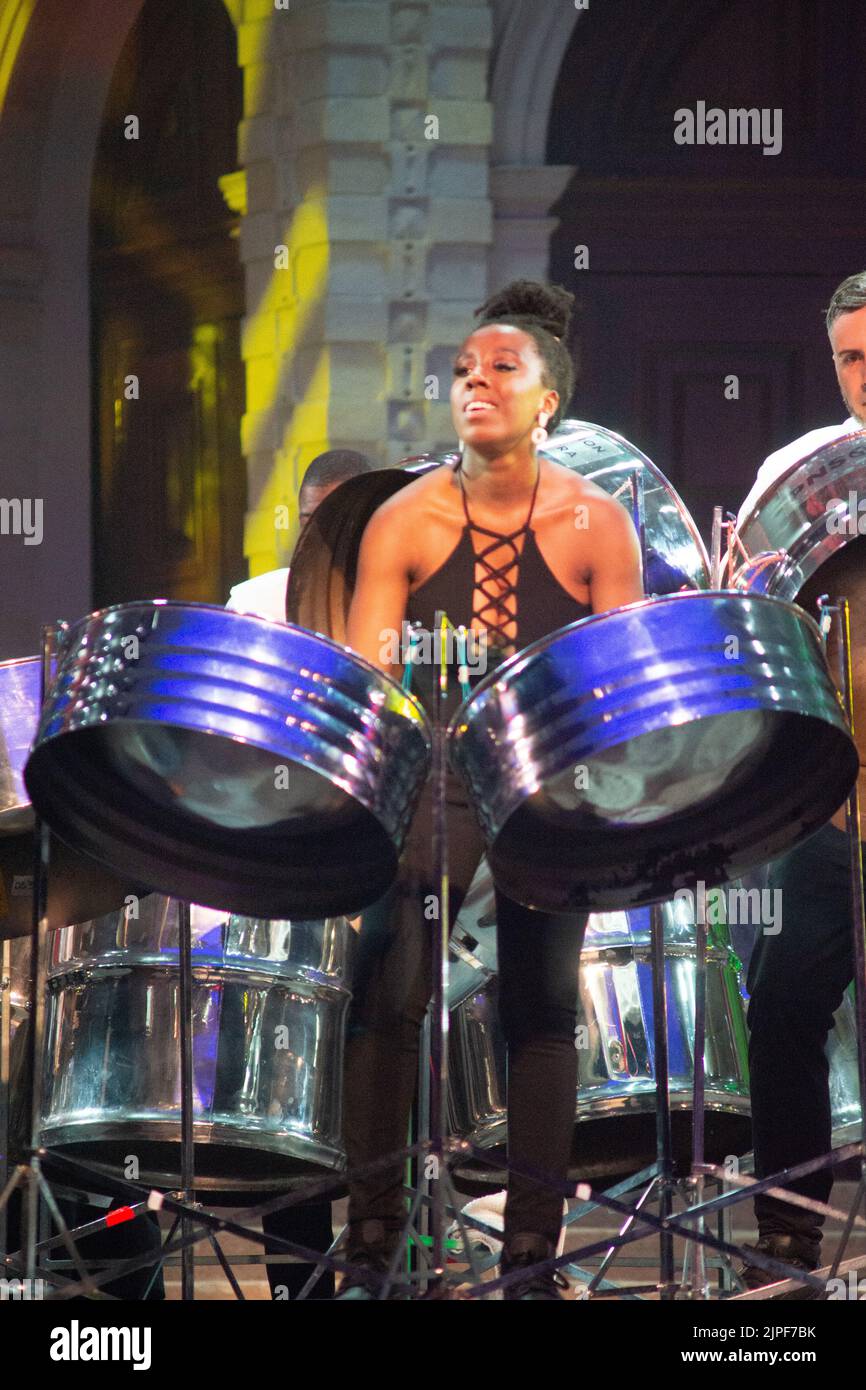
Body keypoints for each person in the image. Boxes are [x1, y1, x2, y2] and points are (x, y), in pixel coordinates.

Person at [339, 279, 645, 1299]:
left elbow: (619, 687)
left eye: (500, 369)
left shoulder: (598, 523)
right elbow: (368, 683)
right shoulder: (404, 518)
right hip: (436, 771)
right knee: (390, 984)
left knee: (542, 1006)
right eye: (463, 370)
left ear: (546, 396)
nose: (474, 383)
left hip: (547, 776)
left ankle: (529, 1254)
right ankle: (373, 1239)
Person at [738, 270, 866, 1295]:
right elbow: (743, 610)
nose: (864, 375)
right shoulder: (799, 473)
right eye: (849, 358)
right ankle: (784, 1235)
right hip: (825, 803)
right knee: (779, 1005)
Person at [227, 447, 375, 1301]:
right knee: (292, 1088)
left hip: (378, 862)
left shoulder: (407, 597)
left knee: (378, 1078)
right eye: (318, 519)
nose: (332, 536)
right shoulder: (256, 602)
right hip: (285, 868)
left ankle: (385, 1261)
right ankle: (297, 1281)